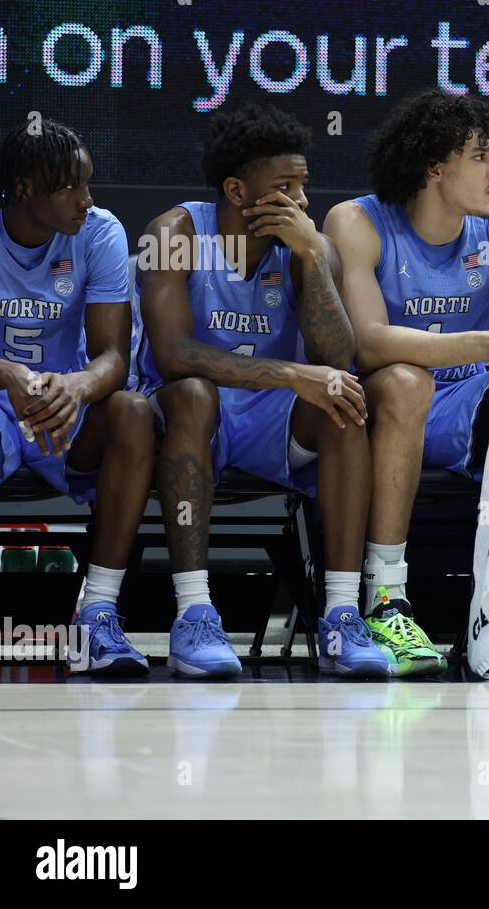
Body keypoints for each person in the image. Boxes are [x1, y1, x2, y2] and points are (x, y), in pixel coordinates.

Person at [326, 90, 489, 676]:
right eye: (482, 157)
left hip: (470, 401)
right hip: (386, 409)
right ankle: (385, 600)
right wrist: (483, 345)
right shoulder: (356, 221)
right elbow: (366, 342)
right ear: (434, 167)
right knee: (402, 380)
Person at [139, 104, 384, 678]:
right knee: (196, 393)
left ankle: (343, 615)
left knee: (344, 399)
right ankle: (195, 613)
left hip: (267, 420)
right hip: (183, 414)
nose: (301, 200)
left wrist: (313, 259)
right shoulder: (173, 232)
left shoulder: (305, 245)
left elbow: (336, 356)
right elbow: (173, 355)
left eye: (304, 185)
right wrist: (290, 375)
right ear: (236, 189)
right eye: (284, 186)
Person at [0, 118, 155, 674]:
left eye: (88, 184)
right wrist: (4, 373)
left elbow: (113, 355)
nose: (87, 199)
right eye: (71, 187)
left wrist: (77, 388)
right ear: (25, 188)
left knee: (132, 410)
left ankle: (99, 611)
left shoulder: (101, 231)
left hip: (64, 410)